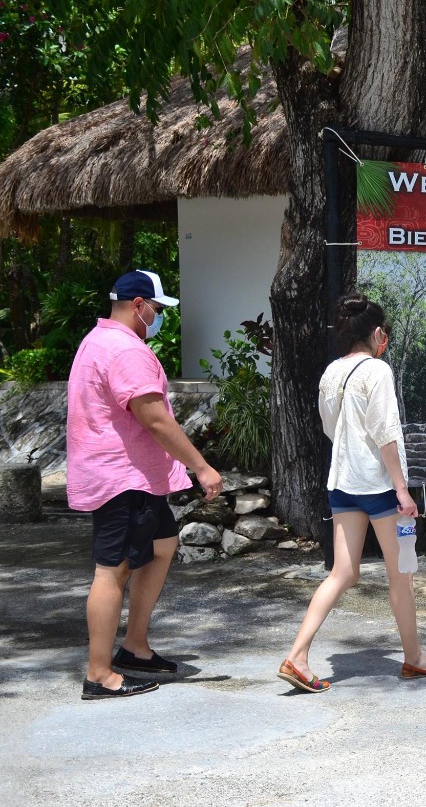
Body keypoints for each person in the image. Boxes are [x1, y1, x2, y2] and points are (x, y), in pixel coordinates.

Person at [278, 294, 426, 693]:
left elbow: (329, 427)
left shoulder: (330, 373)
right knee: (401, 574)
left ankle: (298, 656)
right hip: (379, 486)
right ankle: (415, 660)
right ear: (376, 334)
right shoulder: (377, 371)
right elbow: (386, 432)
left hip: (342, 482)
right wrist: (402, 490)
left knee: (343, 572)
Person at [68, 270, 224, 700]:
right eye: (156, 309)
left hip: (135, 476)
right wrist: (201, 467)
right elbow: (155, 418)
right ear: (139, 306)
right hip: (124, 478)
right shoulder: (125, 351)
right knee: (112, 570)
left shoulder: (97, 340)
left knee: (162, 543)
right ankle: (99, 674)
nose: (158, 317)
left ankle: (134, 647)